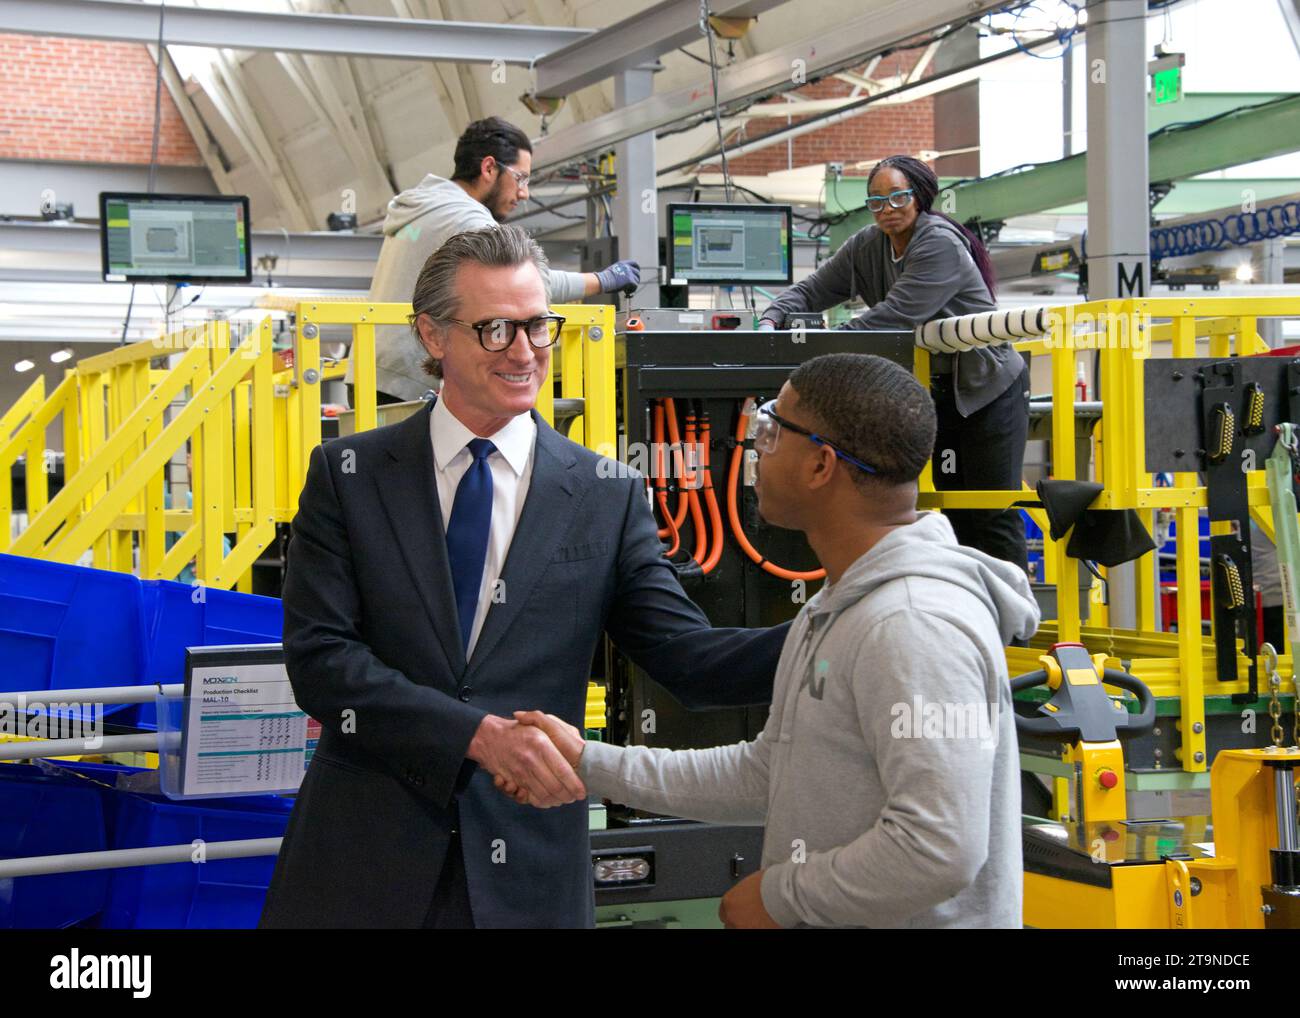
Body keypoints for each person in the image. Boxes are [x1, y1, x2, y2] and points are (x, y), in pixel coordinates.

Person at [261, 225, 786, 929]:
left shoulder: (605, 492)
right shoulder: (350, 477)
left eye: (538, 326)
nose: (525, 351)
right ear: (433, 336)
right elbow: (322, 662)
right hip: (363, 860)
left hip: (527, 871)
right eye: (495, 329)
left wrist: (833, 629)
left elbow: (687, 660)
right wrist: (477, 735)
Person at [499, 353, 1040, 929]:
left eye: (771, 429)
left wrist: (782, 897)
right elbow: (773, 771)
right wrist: (592, 764)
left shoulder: (911, 624)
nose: (756, 446)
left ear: (820, 464)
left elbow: (939, 848)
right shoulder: (836, 608)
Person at [758, 155, 1030, 572]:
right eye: (876, 200)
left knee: (990, 510)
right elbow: (813, 290)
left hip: (986, 389)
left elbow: (894, 316)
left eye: (898, 197)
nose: (887, 209)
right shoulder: (868, 244)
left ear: (919, 197)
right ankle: (971, 610)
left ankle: (1013, 629)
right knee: (953, 510)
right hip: (935, 391)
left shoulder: (938, 242)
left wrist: (817, 347)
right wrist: (770, 320)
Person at [345, 116, 639, 406]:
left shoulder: (425, 207)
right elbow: (532, 283)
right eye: (520, 178)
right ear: (488, 168)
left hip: (372, 375)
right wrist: (604, 280)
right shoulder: (466, 219)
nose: (524, 193)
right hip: (407, 384)